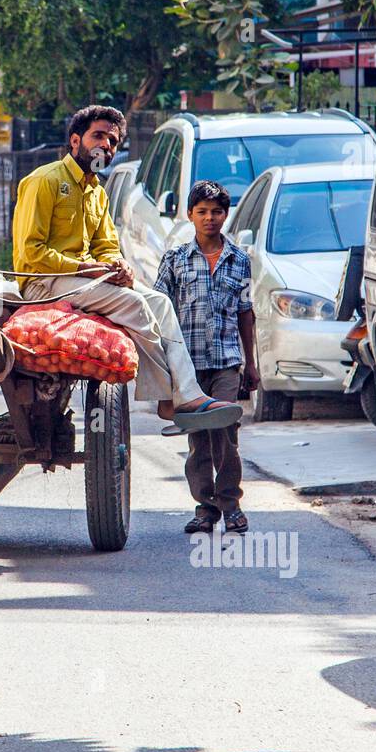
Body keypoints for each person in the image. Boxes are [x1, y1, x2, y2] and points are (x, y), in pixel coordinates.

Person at [12, 105, 242, 432]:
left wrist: (118, 266)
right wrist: (87, 268)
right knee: (135, 305)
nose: (106, 145)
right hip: (43, 282)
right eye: (99, 136)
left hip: (84, 279)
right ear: (75, 141)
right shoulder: (44, 181)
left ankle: (185, 394)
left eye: (113, 140)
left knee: (160, 302)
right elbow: (31, 253)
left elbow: (106, 244)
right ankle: (168, 397)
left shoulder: (97, 192)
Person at [155, 181, 259, 534]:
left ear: (225, 215)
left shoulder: (240, 261)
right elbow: (158, 310)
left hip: (227, 361)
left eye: (216, 212)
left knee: (226, 431)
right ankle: (205, 508)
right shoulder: (175, 259)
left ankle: (231, 505)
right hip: (187, 365)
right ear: (190, 215)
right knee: (198, 438)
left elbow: (246, 312)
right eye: (202, 212)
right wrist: (161, 370)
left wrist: (252, 363)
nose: (209, 218)